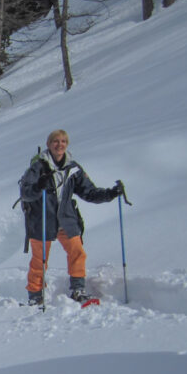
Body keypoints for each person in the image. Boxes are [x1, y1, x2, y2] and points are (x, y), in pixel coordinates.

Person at [18, 129, 124, 305]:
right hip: (42, 220)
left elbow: (89, 192)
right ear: (49, 144)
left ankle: (78, 290)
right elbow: (26, 193)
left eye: (63, 141)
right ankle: (35, 296)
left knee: (77, 253)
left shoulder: (73, 168)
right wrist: (39, 187)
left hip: (66, 219)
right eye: (55, 141)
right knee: (40, 260)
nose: (59, 145)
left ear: (67, 145)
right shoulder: (38, 167)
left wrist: (111, 194)